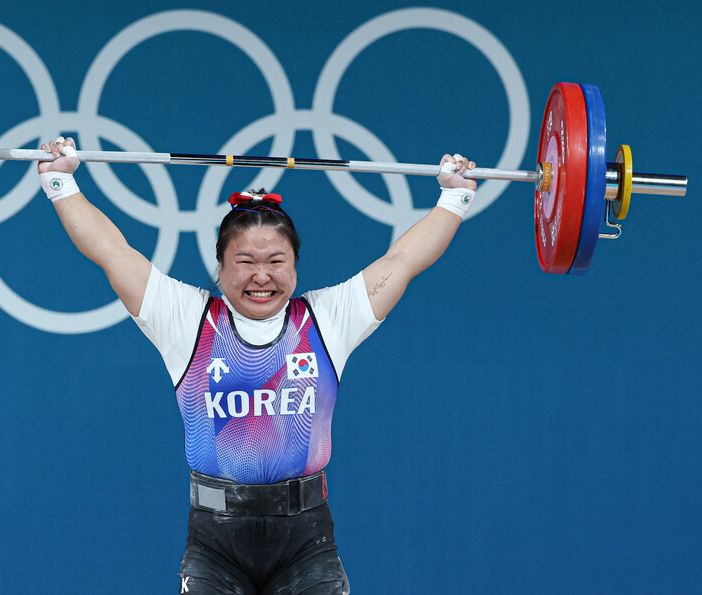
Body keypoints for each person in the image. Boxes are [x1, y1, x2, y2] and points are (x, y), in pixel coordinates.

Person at [38, 137, 477, 594]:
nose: (261, 276)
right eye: (245, 261)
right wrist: (60, 182)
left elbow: (402, 261)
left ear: (295, 264)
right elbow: (113, 251)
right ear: (221, 266)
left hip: (307, 542)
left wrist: (455, 197)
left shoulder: (327, 319)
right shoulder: (186, 319)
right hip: (214, 544)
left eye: (276, 261)